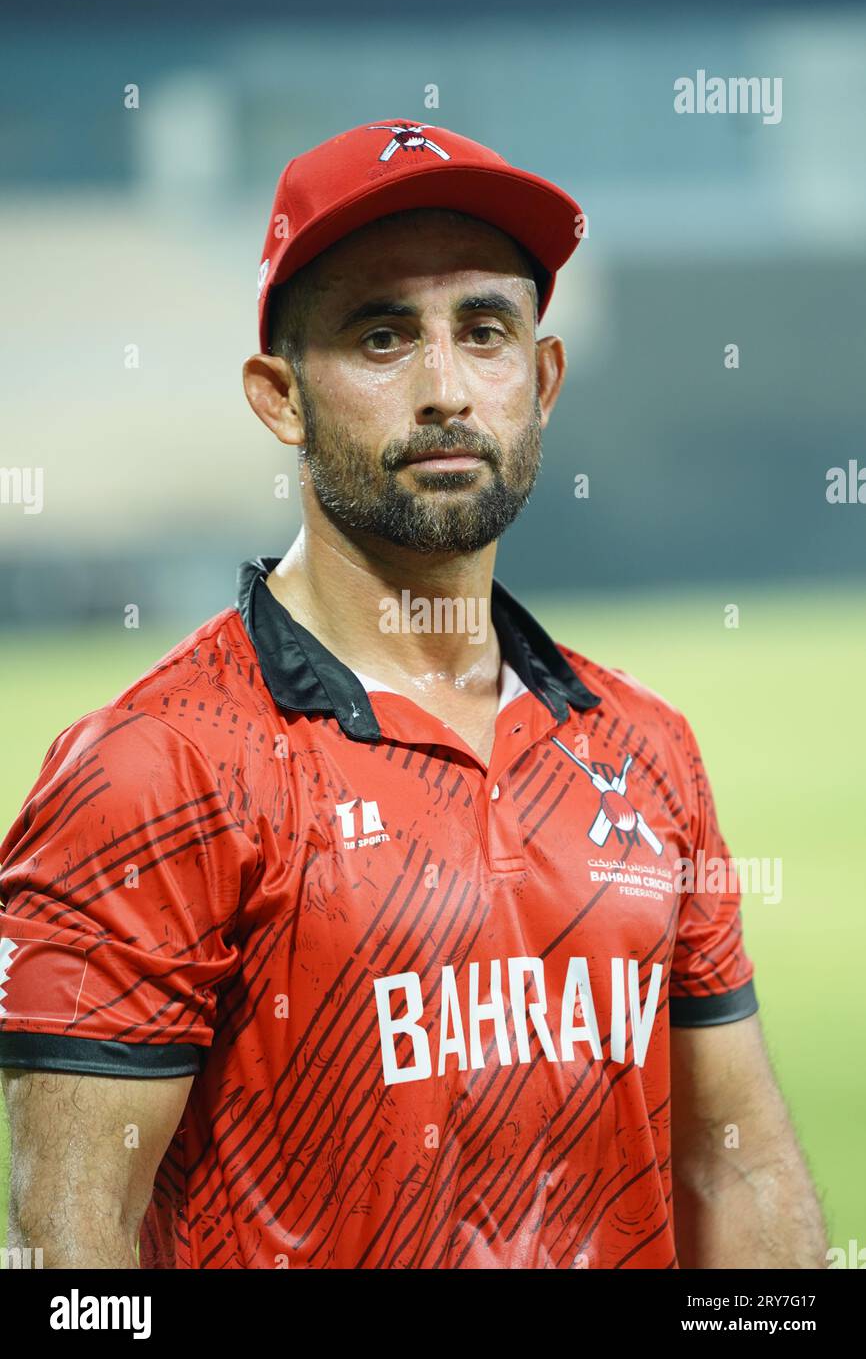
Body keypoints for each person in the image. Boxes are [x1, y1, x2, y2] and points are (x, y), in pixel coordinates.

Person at [0, 119, 827, 1269]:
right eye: (381, 335)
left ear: (538, 379)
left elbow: (729, 1164)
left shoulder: (645, 749)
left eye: (482, 330)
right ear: (280, 398)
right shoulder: (154, 768)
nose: (445, 388)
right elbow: (67, 1254)